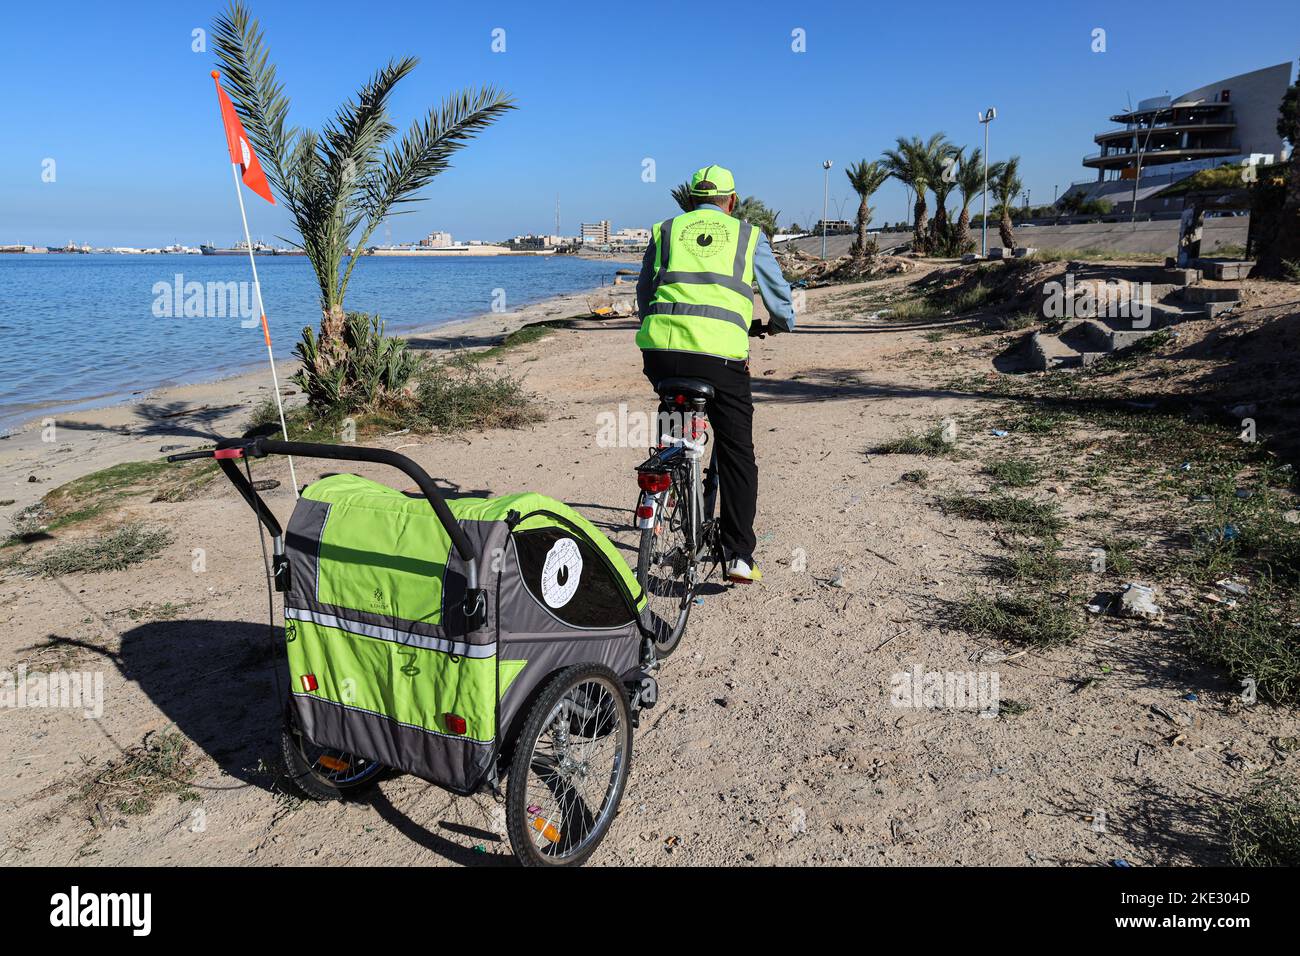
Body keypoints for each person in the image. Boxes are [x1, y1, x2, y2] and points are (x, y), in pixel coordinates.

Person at [635, 164, 796, 583]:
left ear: (691, 200)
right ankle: (739, 553)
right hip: (721, 358)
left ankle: (669, 470)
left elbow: (644, 293)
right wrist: (779, 324)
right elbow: (778, 298)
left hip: (662, 351)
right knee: (736, 449)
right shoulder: (747, 235)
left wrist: (655, 326)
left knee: (673, 400)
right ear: (732, 201)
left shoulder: (666, 230)